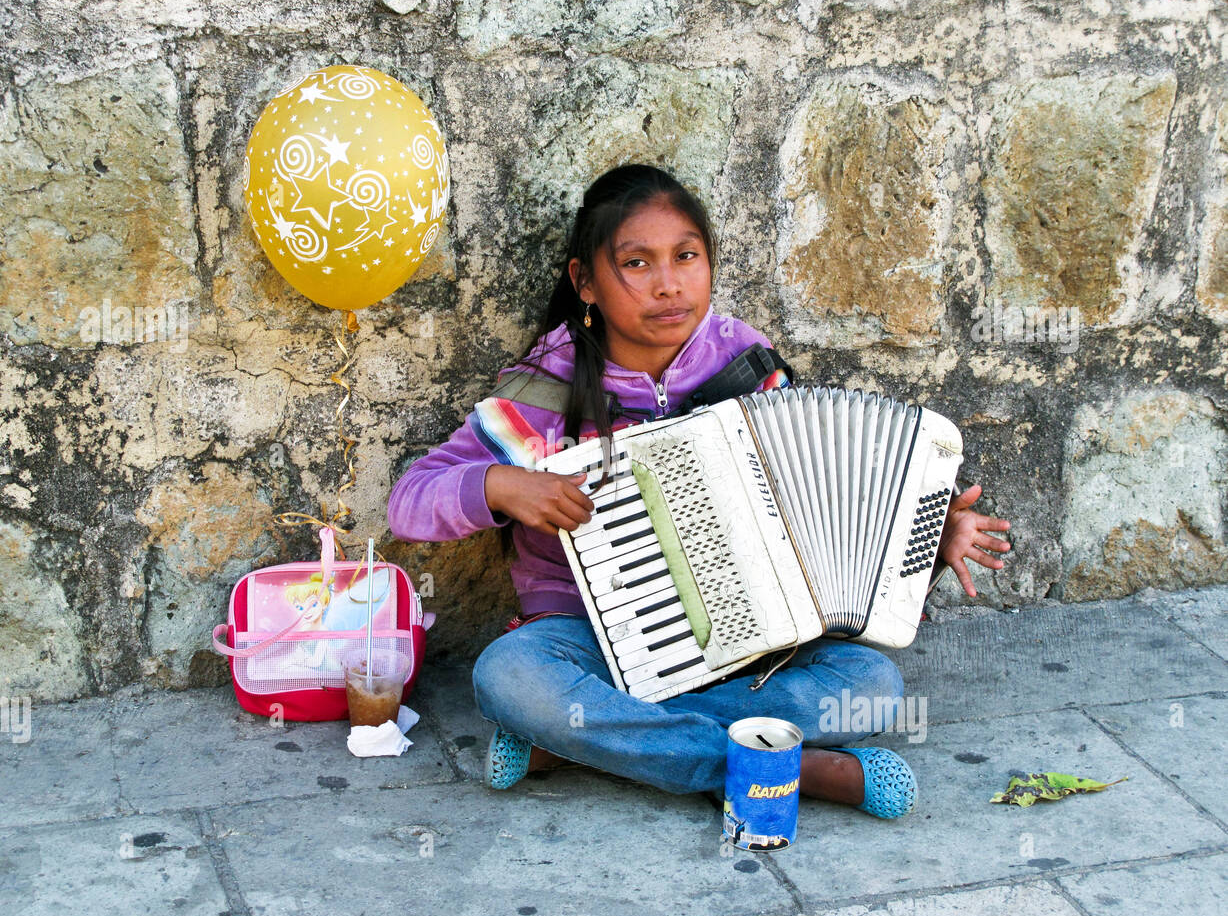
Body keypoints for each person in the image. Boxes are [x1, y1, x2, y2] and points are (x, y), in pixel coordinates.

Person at [387, 164, 1011, 817]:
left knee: (873, 684)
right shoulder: (546, 391)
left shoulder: (744, 363)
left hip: (750, 640)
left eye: (686, 256)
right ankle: (780, 768)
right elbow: (410, 502)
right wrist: (500, 484)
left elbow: (816, 512)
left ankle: (586, 741)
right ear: (586, 283)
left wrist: (926, 540)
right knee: (510, 676)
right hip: (592, 640)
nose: (668, 284)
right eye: (637, 263)